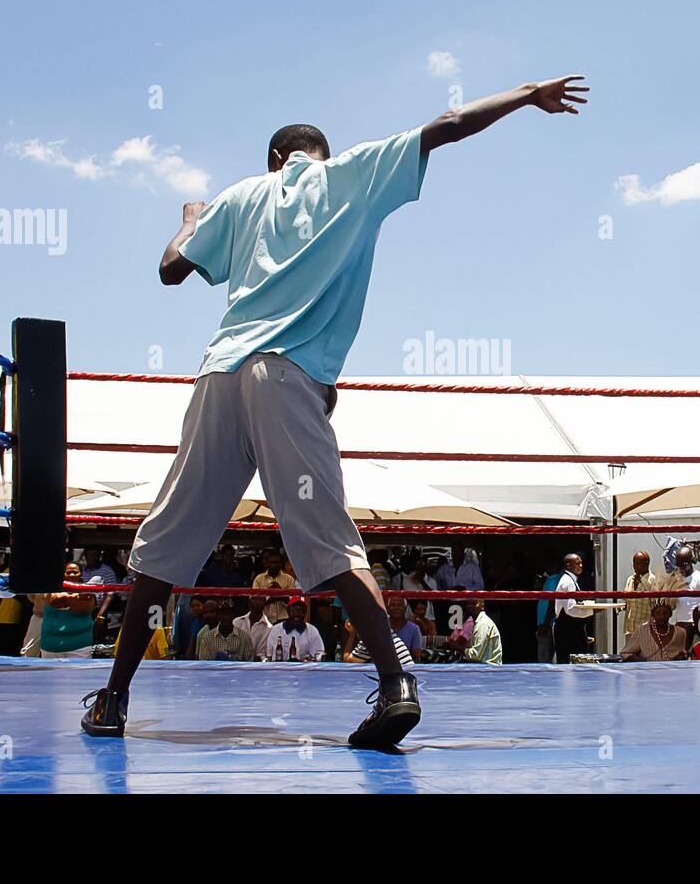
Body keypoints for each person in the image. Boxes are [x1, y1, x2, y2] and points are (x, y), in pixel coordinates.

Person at [80, 74, 588, 745]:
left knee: (163, 548)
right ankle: (396, 683)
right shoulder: (355, 172)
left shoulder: (240, 197)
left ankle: (113, 699)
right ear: (322, 151)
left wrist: (189, 222)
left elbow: (172, 270)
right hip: (287, 376)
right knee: (327, 538)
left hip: (220, 375)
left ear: (275, 160)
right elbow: (451, 122)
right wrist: (526, 93)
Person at [40, 562, 98, 658]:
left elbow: (82, 607)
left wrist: (66, 598)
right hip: (50, 646)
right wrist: (74, 598)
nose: (71, 575)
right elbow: (54, 601)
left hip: (80, 647)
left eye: (75, 572)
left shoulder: (88, 591)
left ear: (81, 574)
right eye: (68, 572)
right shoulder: (51, 588)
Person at [553, 554, 595, 663]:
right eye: (577, 563)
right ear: (568, 565)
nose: (581, 566)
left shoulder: (571, 580)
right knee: (569, 662)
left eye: (581, 563)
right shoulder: (567, 582)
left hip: (571, 628)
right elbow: (570, 609)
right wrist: (592, 611)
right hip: (567, 630)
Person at [668, 545, 700, 649]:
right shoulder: (676, 579)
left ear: (691, 562)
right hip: (679, 626)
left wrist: (697, 625)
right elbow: (672, 605)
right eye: (679, 565)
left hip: (694, 627)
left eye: (684, 564)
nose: (681, 568)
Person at [261, 597, 326, 661]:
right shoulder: (276, 630)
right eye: (294, 610)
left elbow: (318, 655)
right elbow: (269, 656)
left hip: (304, 670)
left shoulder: (312, 631)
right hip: (280, 669)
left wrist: (307, 659)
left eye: (301, 611)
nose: (297, 614)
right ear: (288, 611)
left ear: (305, 613)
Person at [621, 600, 688, 662]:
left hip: (672, 670)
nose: (662, 617)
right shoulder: (642, 631)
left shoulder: (680, 632)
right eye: (658, 613)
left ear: (670, 615)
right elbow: (625, 653)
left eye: (665, 613)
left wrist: (681, 657)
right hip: (647, 670)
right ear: (653, 615)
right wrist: (640, 661)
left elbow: (682, 652)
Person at [621, 551, 658, 645]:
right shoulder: (630, 579)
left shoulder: (653, 581)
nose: (635, 566)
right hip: (630, 628)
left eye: (639, 564)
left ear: (647, 564)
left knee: (645, 657)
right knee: (629, 656)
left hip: (645, 629)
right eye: (634, 563)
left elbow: (656, 605)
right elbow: (626, 600)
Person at [254, 549, 299, 623]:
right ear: (266, 563)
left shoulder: (289, 579)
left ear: (281, 563)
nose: (274, 565)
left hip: (284, 619)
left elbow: (293, 603)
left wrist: (280, 592)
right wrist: (272, 596)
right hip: (264, 619)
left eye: (276, 562)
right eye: (271, 562)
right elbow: (255, 603)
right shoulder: (259, 579)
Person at [536, 560, 565, 662]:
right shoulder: (551, 579)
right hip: (546, 622)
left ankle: (544, 675)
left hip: (548, 623)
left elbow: (552, 603)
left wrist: (545, 624)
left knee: (545, 654)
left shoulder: (553, 579)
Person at [458, 597, 502, 664]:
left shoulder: (483, 623)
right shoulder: (477, 622)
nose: (470, 606)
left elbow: (475, 655)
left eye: (474, 603)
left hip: (489, 670)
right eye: (468, 604)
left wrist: (456, 647)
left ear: (482, 606)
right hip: (483, 668)